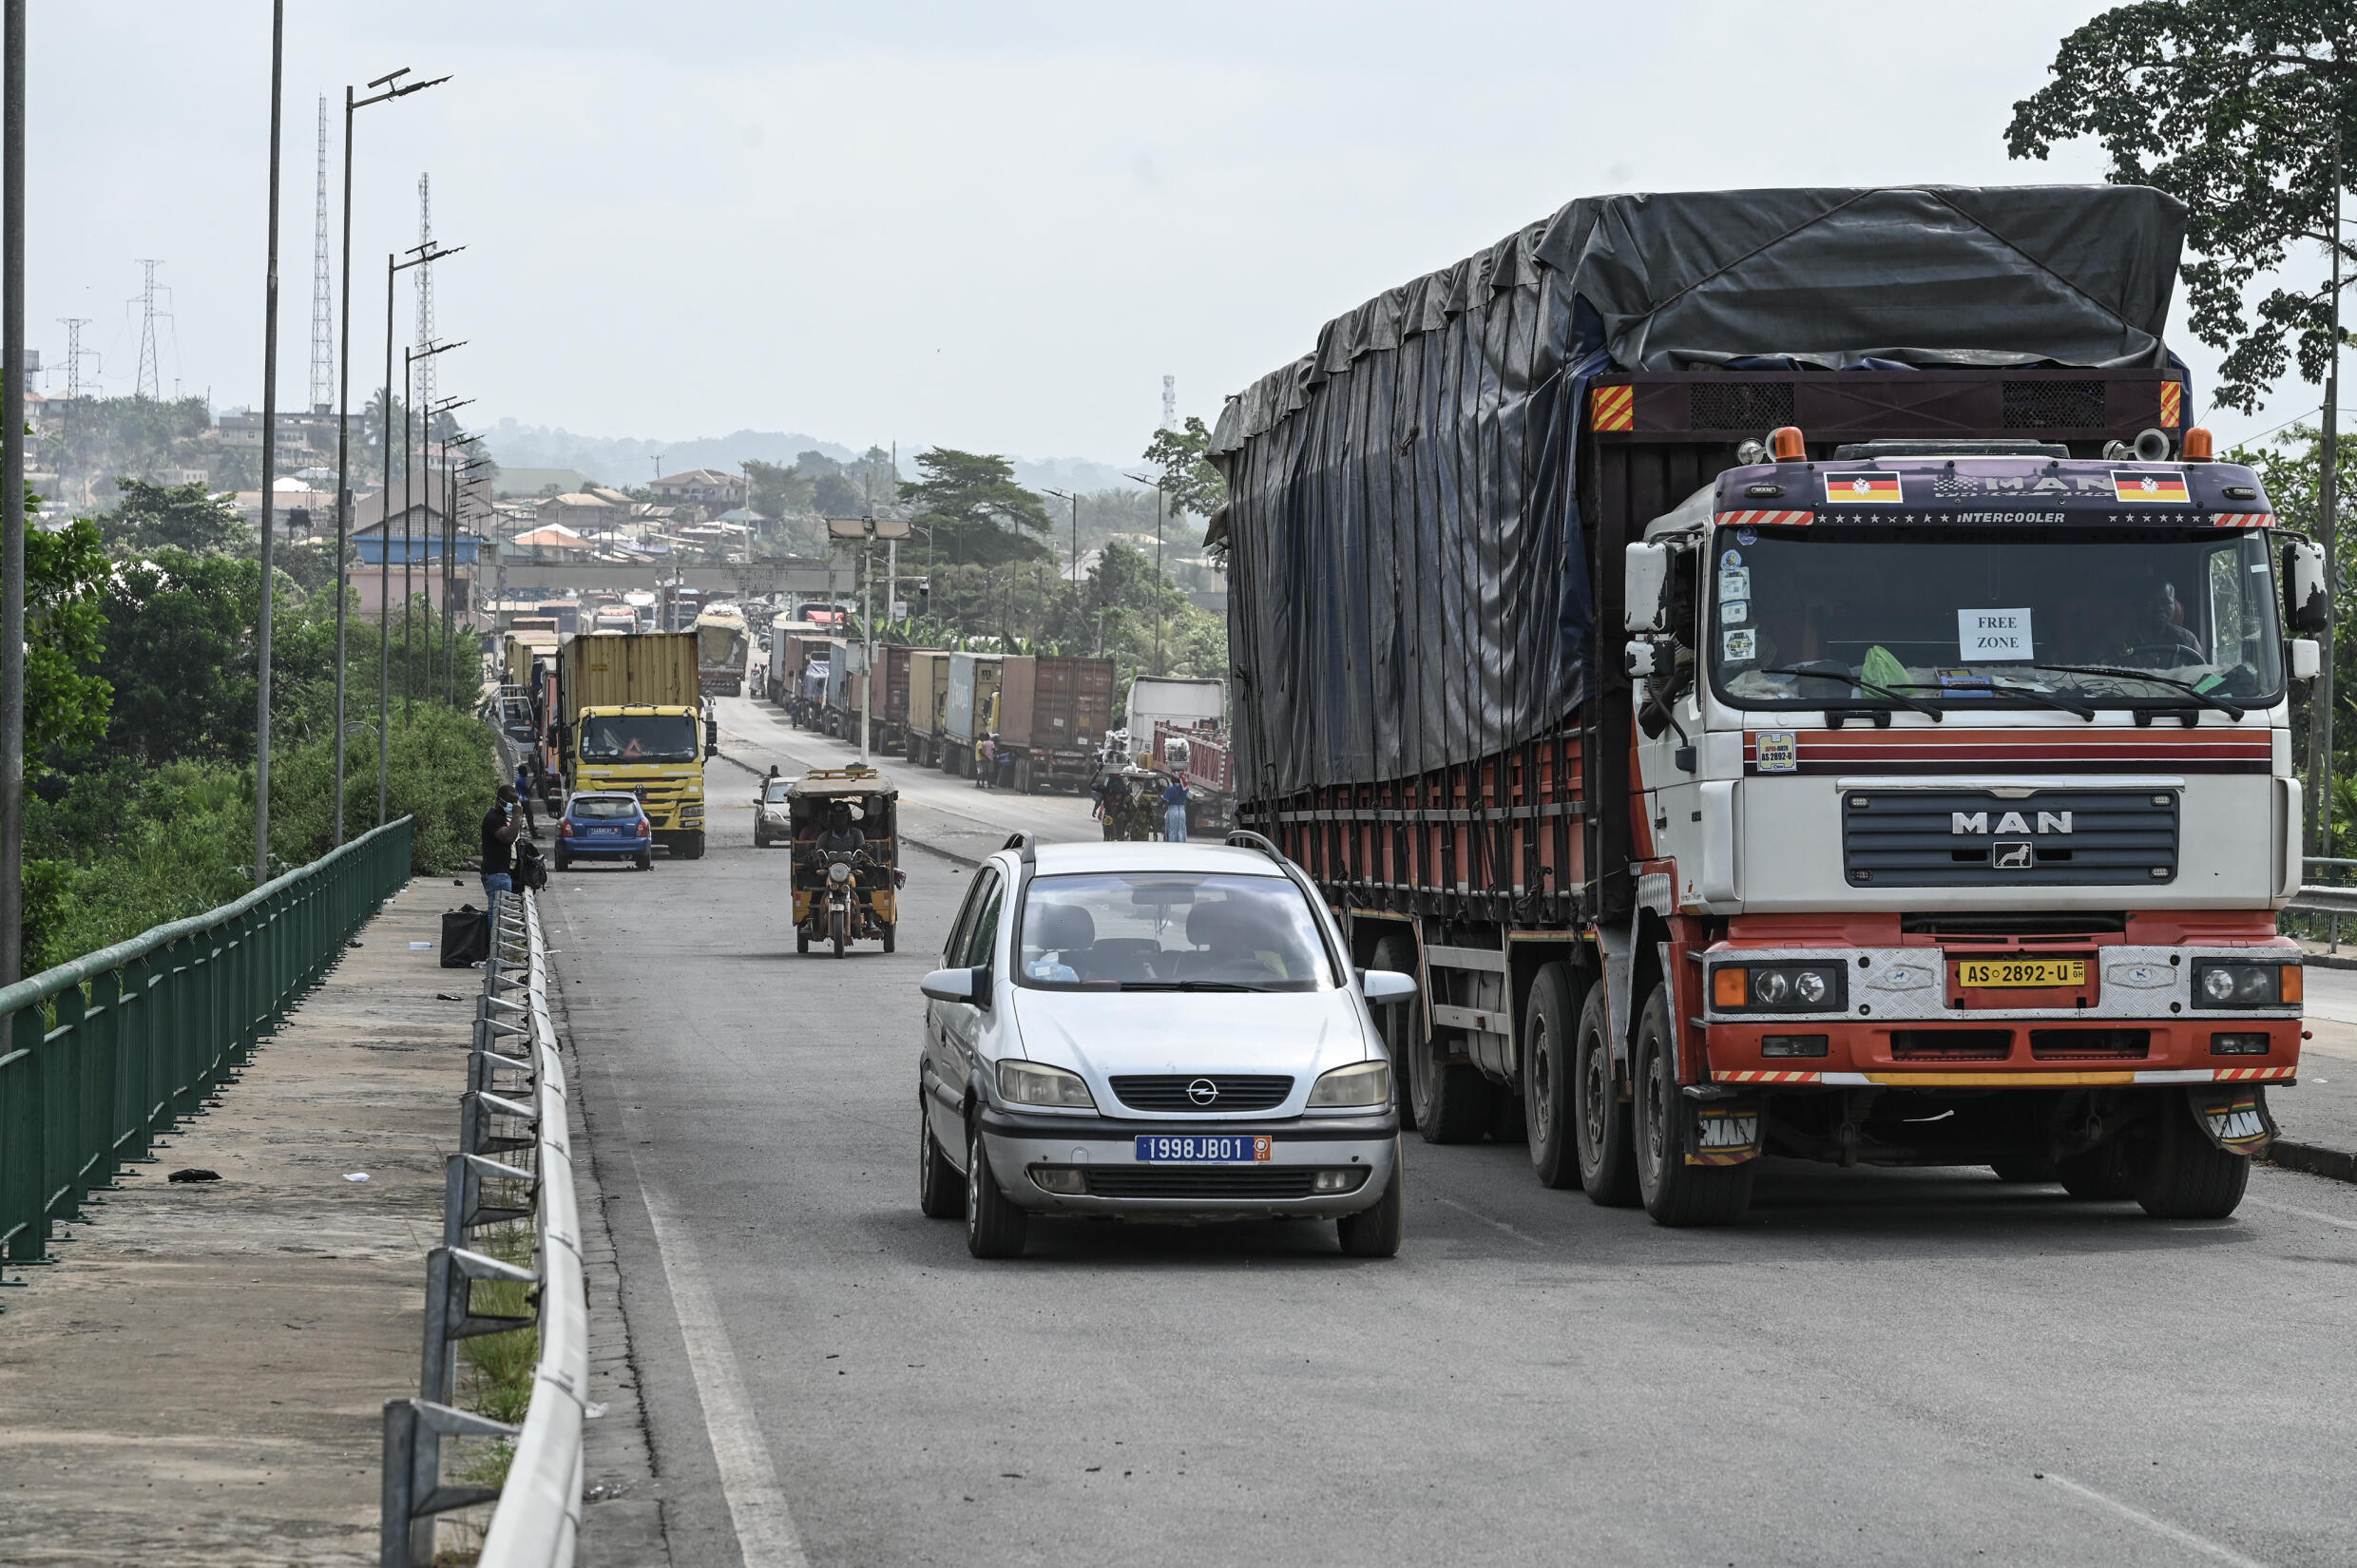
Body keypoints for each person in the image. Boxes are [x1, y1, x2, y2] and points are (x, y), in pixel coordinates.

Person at [480, 784, 523, 897]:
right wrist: (517, 815)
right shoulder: (493, 818)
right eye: (510, 802)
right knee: (498, 912)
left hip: (501, 873)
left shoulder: (502, 817)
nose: (513, 806)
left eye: (516, 803)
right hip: (496, 875)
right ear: (499, 800)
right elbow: (508, 837)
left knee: (496, 912)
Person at [512, 762, 540, 838]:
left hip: (522, 800)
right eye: (525, 771)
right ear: (522, 772)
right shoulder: (521, 780)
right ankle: (534, 834)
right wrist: (533, 782)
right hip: (524, 801)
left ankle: (532, 830)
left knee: (525, 817)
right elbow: (526, 790)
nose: (527, 772)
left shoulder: (521, 779)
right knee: (529, 817)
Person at [1100, 772, 1129, 841]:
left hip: (1112, 812)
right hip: (1115, 812)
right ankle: (1120, 836)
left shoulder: (1110, 784)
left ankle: (1114, 836)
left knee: (1108, 831)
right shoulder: (1121, 786)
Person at [1162, 774, 1190, 844]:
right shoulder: (1185, 789)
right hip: (1182, 812)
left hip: (1172, 812)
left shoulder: (1170, 789)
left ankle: (1172, 846)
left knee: (1172, 830)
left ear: (1173, 780)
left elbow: (1164, 801)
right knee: (1181, 830)